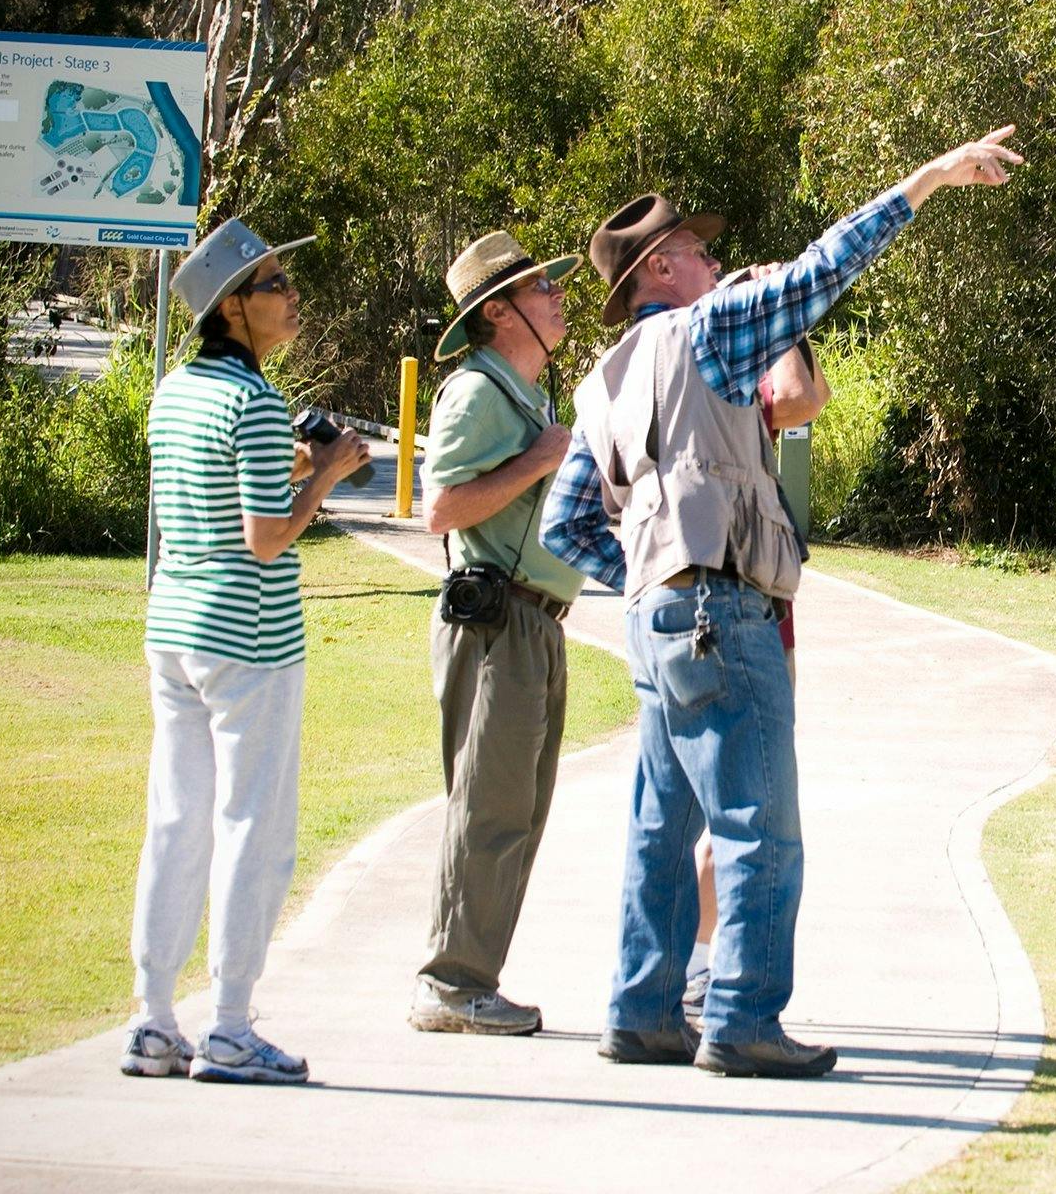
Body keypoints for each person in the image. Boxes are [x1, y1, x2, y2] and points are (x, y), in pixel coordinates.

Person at [543, 127, 1020, 1079]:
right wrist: (929, 178)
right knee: (761, 825)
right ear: (665, 265)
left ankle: (644, 1013)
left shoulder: (601, 380)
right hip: (725, 613)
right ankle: (744, 1021)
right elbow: (821, 271)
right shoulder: (706, 327)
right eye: (703, 250)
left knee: (660, 826)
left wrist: (649, 571)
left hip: (656, 623)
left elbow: (566, 526)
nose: (718, 262)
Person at [123, 218, 371, 1086]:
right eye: (272, 284)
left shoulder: (173, 393)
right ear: (233, 308)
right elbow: (267, 537)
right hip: (250, 637)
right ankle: (230, 1024)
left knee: (177, 821)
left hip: (176, 626)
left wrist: (299, 466)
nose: (289, 296)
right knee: (252, 829)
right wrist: (330, 473)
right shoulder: (255, 402)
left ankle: (153, 1019)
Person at [408, 232, 584, 1036]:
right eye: (541, 289)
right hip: (497, 624)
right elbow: (439, 509)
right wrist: (541, 459)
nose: (556, 297)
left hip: (534, 624)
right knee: (490, 807)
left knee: (518, 808)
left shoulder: (524, 395)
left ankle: (472, 979)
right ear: (501, 313)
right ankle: (452, 984)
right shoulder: (477, 393)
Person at [685, 314, 828, 1022]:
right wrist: (782, 317)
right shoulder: (721, 374)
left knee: (723, 796)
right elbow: (800, 400)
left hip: (755, 595)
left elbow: (811, 393)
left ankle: (695, 965)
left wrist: (784, 325)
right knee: (744, 795)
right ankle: (703, 968)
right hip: (738, 604)